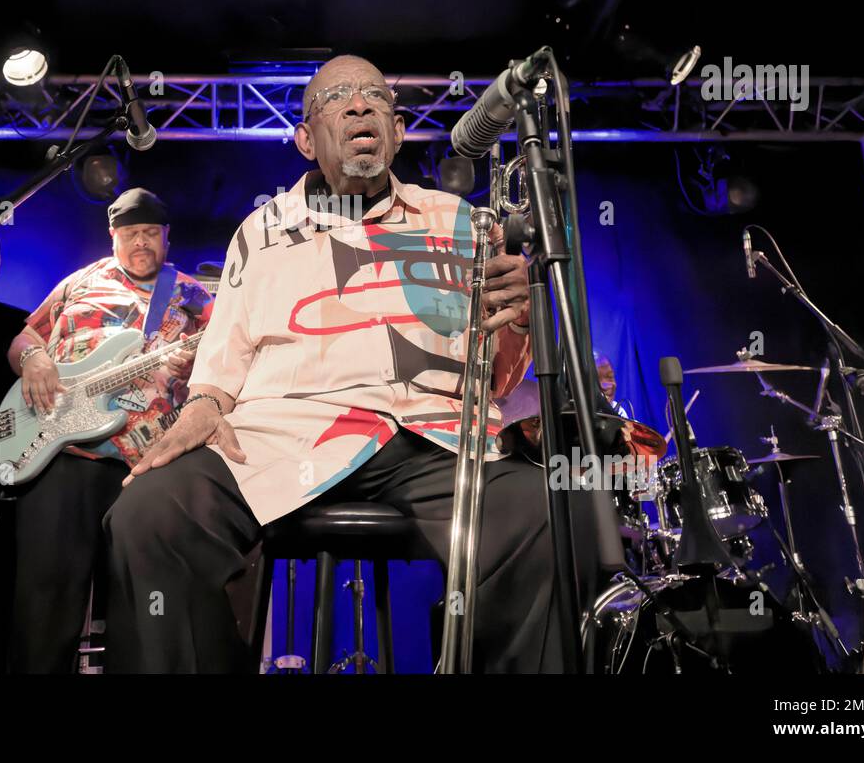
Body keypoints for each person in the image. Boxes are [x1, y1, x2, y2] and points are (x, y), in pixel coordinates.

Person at [103, 55, 565, 673]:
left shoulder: (462, 223)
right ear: (304, 139)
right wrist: (201, 410)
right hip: (282, 435)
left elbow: (495, 377)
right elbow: (222, 361)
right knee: (148, 514)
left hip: (431, 440)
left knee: (548, 514)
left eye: (375, 95)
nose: (358, 104)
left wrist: (524, 321)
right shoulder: (259, 232)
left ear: (398, 131)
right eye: (337, 97)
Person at [4, 188, 211, 673]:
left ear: (166, 237)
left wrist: (193, 364)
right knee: (44, 600)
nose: (142, 243)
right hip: (62, 453)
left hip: (149, 466)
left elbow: (227, 363)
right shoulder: (81, 281)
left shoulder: (195, 295)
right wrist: (33, 357)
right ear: (113, 236)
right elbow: (25, 337)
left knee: (142, 606)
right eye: (131, 234)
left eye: (151, 234)